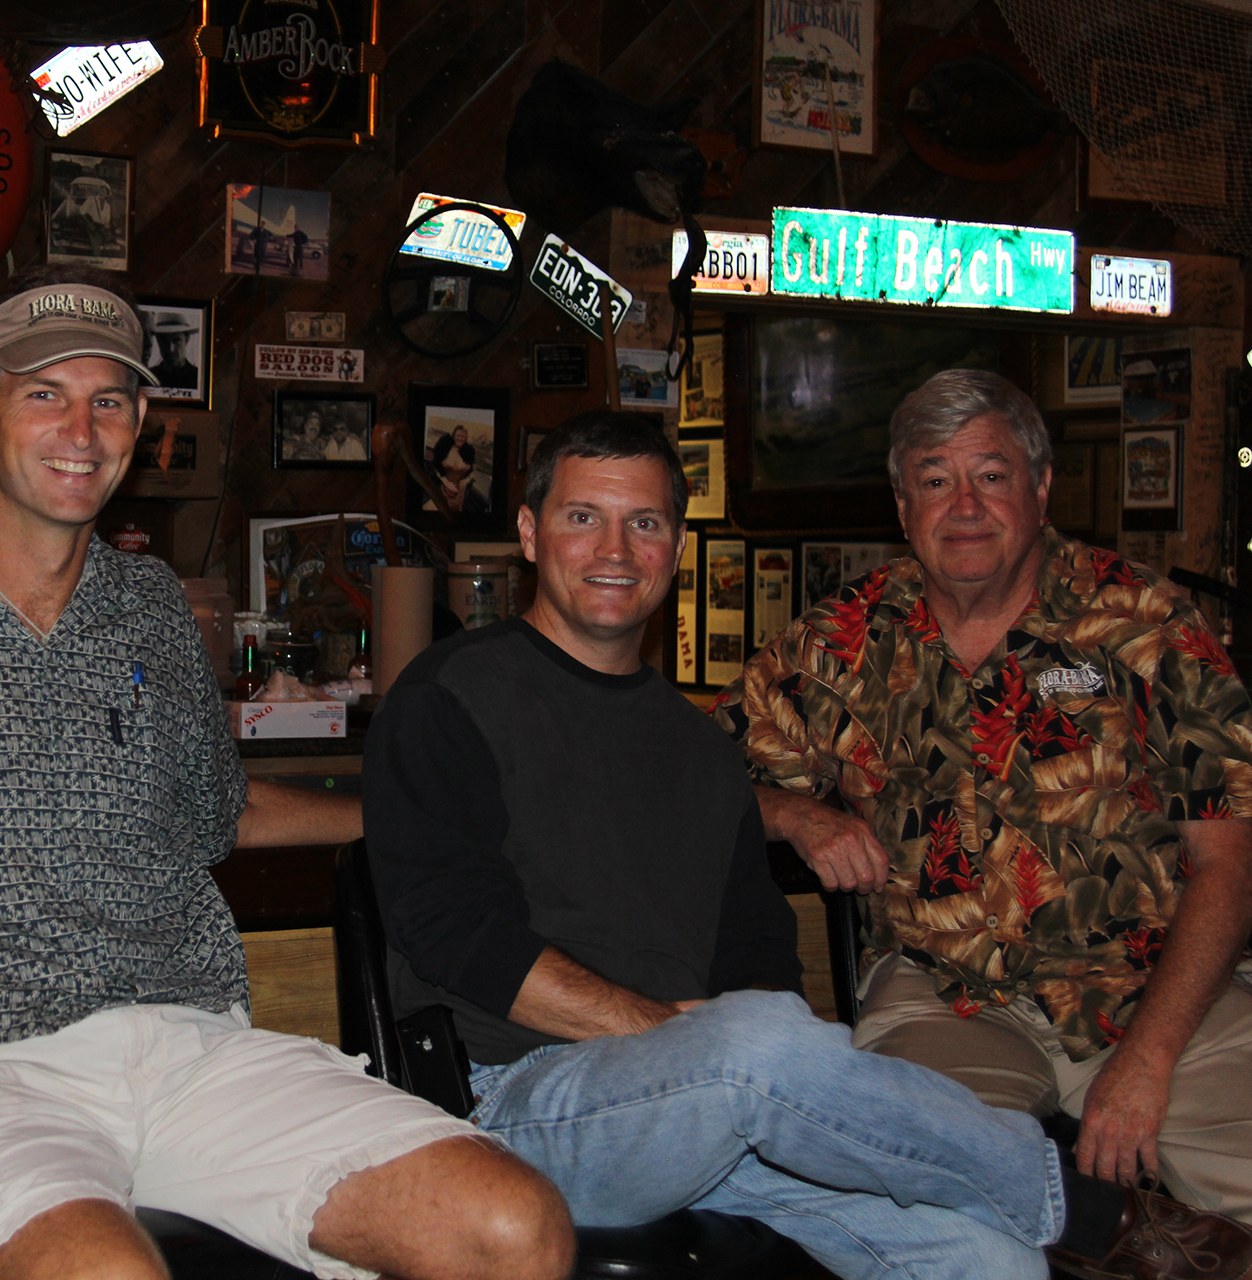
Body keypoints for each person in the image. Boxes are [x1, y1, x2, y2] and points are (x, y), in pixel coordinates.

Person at [0, 266, 573, 1280]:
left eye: (109, 400)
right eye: (45, 394)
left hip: (183, 1043)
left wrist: (402, 814)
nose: (83, 428)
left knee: (516, 1227)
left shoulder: (151, 609)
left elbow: (220, 810)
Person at [365, 408, 1246, 1280]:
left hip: (709, 1105)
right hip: (515, 1101)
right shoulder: (454, 694)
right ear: (528, 533)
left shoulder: (702, 749)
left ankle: (1035, 1225)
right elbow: (455, 932)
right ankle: (1094, 1212)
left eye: (644, 523)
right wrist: (668, 1036)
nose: (614, 551)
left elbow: (760, 960)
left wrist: (720, 1040)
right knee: (757, 1044)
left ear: (675, 545)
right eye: (581, 518)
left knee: (990, 1260)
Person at [712, 369, 1252, 1271]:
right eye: (934, 479)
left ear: (1040, 489)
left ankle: (1099, 1223)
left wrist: (1149, 1060)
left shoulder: (1151, 624)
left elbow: (1230, 862)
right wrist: (796, 812)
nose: (964, 505)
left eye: (991, 476)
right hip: (943, 990)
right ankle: (1101, 1228)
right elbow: (698, 781)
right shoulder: (840, 638)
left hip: (1156, 993)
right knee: (904, 1206)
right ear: (901, 504)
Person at [144, 311, 199, 393]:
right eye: (164, 341)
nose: (170, 349)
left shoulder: (198, 378)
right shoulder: (147, 378)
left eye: (176, 340)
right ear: (158, 341)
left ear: (187, 339)